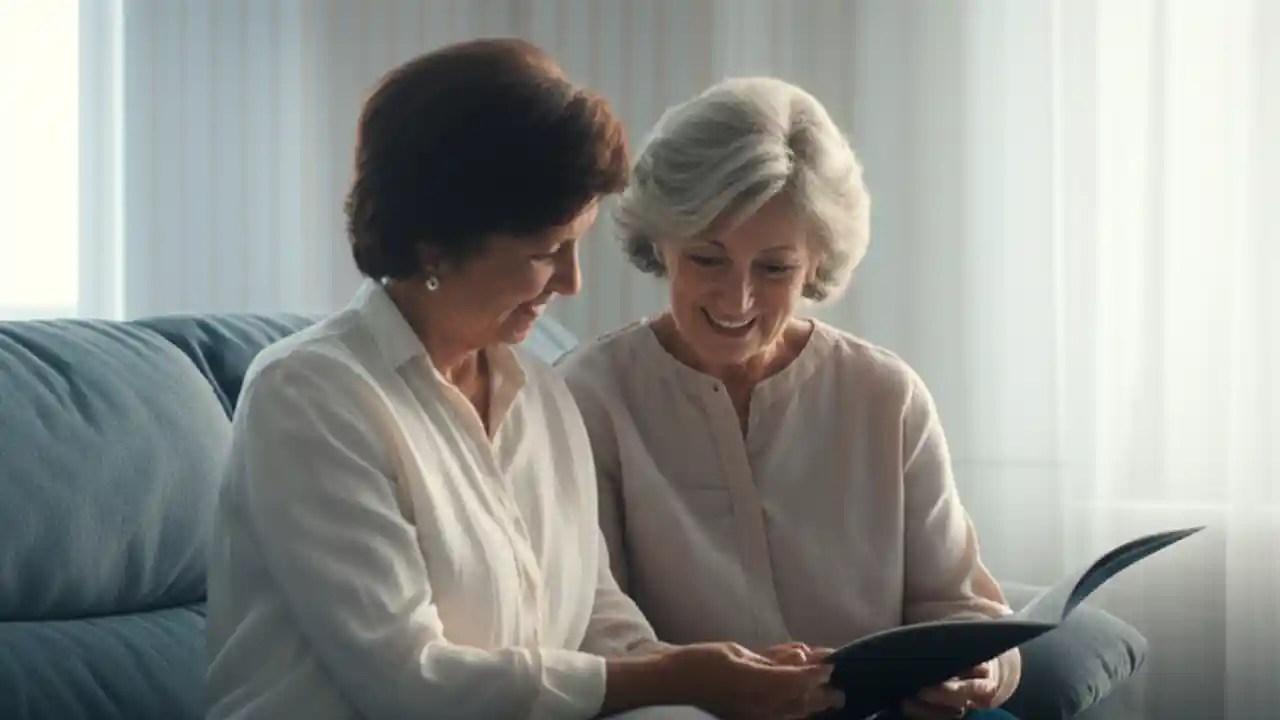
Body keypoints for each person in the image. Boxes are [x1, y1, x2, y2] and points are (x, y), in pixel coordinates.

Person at [204, 42, 843, 720]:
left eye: (577, 246)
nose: (571, 282)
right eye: (546, 253)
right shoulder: (311, 395)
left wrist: (719, 678)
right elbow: (409, 682)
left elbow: (596, 618)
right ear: (434, 241)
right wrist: (679, 679)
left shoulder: (542, 394)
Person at [557, 77, 1023, 720]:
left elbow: (965, 606)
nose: (737, 299)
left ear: (816, 263)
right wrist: (696, 684)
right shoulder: (589, 396)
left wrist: (982, 673)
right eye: (707, 260)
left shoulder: (886, 396)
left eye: (774, 268)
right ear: (661, 242)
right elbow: (587, 623)